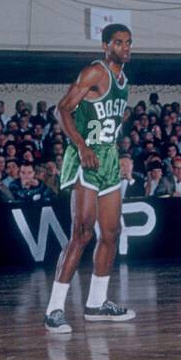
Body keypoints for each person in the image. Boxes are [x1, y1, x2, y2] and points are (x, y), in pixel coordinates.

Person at [44, 24, 134, 333]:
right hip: (86, 154)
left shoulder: (124, 80)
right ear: (105, 46)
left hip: (108, 156)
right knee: (82, 232)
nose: (125, 47)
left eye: (128, 43)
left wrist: (117, 119)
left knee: (111, 233)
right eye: (119, 43)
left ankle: (97, 303)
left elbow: (109, 111)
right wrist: (81, 146)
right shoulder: (95, 72)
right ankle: (54, 309)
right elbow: (62, 110)